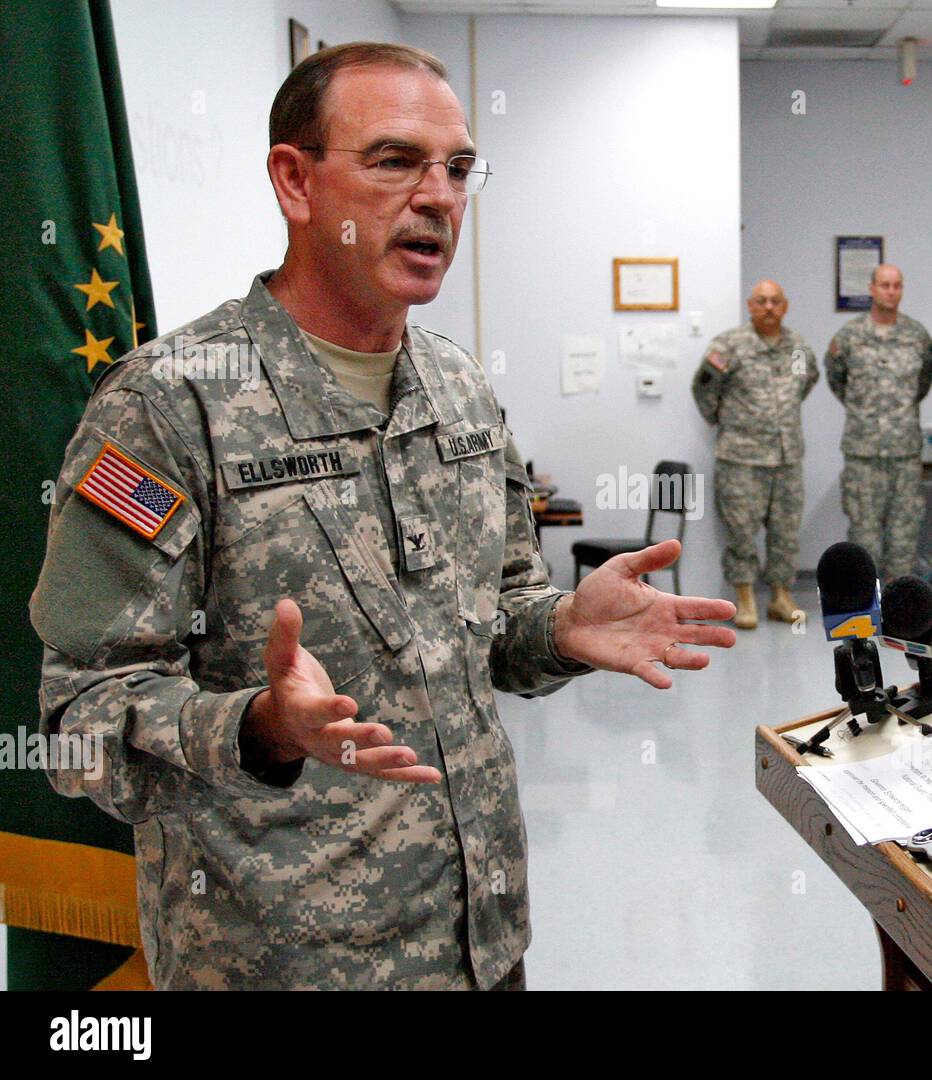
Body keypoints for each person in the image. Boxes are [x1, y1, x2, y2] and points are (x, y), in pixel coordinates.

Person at [28, 43, 735, 991]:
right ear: (294, 180)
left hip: (481, 941)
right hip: (284, 965)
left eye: (458, 169)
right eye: (395, 160)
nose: (439, 196)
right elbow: (78, 721)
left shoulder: (457, 385)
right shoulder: (169, 406)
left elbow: (497, 620)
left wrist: (561, 626)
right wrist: (262, 728)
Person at [691, 279, 818, 629]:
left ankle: (781, 596)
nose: (768, 308)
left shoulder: (798, 348)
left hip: (787, 456)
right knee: (741, 532)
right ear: (750, 305)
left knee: (785, 531)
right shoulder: (729, 345)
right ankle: (744, 597)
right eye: (761, 301)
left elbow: (805, 384)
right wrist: (725, 421)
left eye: (775, 301)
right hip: (741, 458)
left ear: (785, 305)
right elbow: (703, 387)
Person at [826, 264, 932, 582]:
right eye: (884, 285)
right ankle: (864, 612)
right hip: (863, 453)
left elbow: (923, 382)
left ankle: (897, 608)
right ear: (872, 289)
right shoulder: (848, 337)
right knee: (864, 536)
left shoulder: (918, 336)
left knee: (905, 534)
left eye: (897, 285)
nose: (891, 291)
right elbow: (838, 380)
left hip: (905, 452)